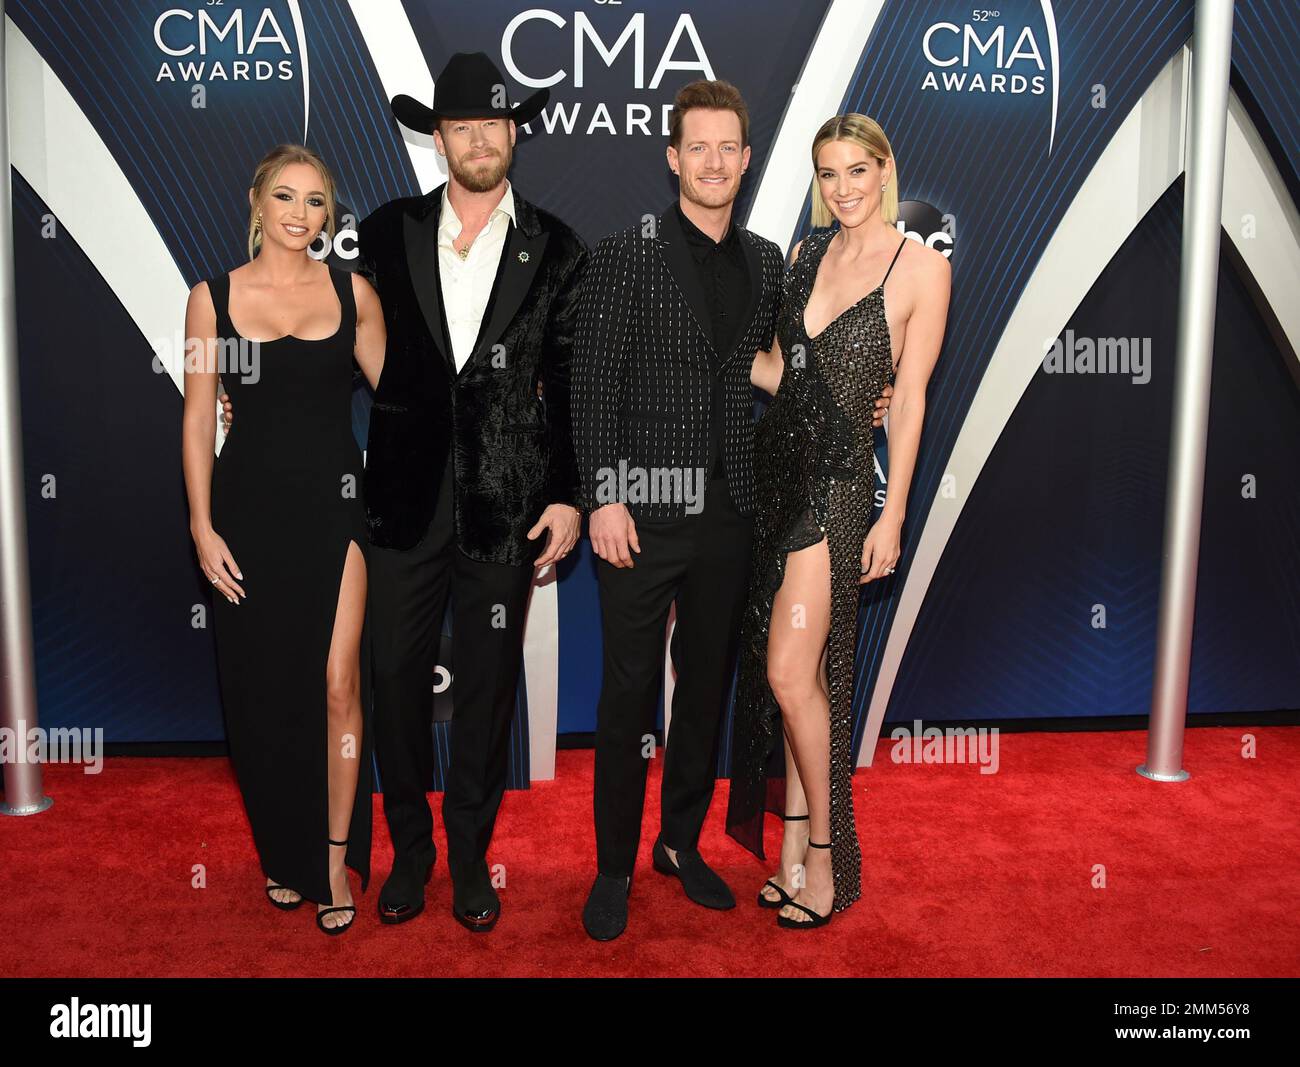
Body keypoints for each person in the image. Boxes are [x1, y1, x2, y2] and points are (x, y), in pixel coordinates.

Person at [571, 80, 890, 941]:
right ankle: (611, 867)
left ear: (748, 161)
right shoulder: (625, 251)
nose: (713, 162)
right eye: (696, 148)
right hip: (639, 513)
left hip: (734, 509)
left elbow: (775, 368)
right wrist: (603, 493)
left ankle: (679, 842)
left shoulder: (766, 260)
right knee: (628, 693)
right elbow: (593, 382)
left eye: (729, 149)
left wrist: (852, 397)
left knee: (707, 684)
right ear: (673, 157)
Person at [728, 113, 950, 928]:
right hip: (776, 472)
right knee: (800, 680)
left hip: (841, 485)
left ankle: (826, 854)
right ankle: (790, 845)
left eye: (858, 170)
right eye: (829, 174)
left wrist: (894, 512)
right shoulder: (803, 255)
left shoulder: (922, 269)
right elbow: (782, 372)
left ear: (885, 170)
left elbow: (912, 398)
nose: (844, 187)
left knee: (790, 671)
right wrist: (710, 348)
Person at [183, 143, 387, 935]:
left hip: (338, 513)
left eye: (315, 203)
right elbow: (200, 415)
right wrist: (201, 525)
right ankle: (282, 852)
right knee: (263, 695)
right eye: (287, 198)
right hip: (246, 516)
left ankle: (333, 858)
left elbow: (400, 399)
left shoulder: (353, 292)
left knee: (340, 682)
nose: (301, 215)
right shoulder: (212, 299)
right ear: (257, 202)